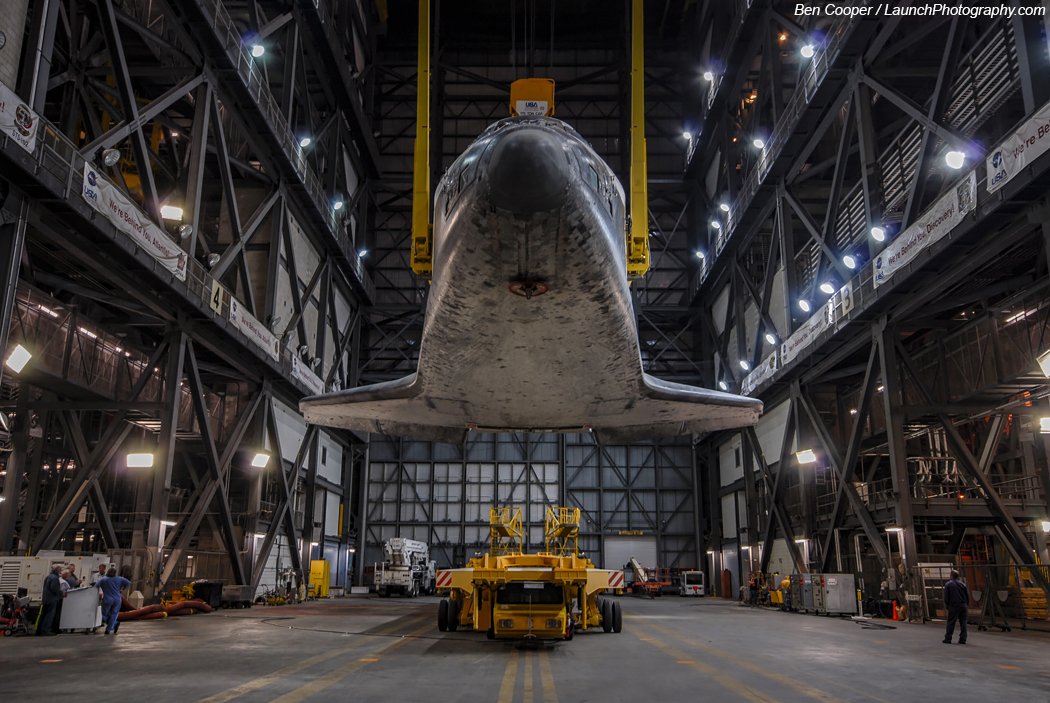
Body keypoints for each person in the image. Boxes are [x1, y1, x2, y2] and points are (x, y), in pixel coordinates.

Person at [97, 567, 131, 635]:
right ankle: (109, 629)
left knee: (103, 615)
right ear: (115, 573)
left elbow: (96, 586)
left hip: (107, 599)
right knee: (114, 614)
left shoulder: (103, 579)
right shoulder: (120, 578)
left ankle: (115, 624)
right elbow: (129, 583)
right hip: (117, 599)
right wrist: (122, 589)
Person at [943, 570, 969, 644]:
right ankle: (963, 639)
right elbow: (967, 596)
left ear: (951, 575)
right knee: (963, 622)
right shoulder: (963, 584)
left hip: (954, 606)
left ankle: (948, 638)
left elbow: (946, 597)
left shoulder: (948, 584)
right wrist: (966, 604)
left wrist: (947, 605)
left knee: (951, 622)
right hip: (963, 605)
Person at [37, 564, 63, 636]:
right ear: (57, 569)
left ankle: (39, 630)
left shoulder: (48, 577)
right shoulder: (55, 578)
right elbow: (54, 588)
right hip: (52, 599)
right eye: (60, 569)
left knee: (43, 614)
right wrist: (61, 593)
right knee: (50, 615)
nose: (61, 570)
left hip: (45, 598)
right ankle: (45, 630)